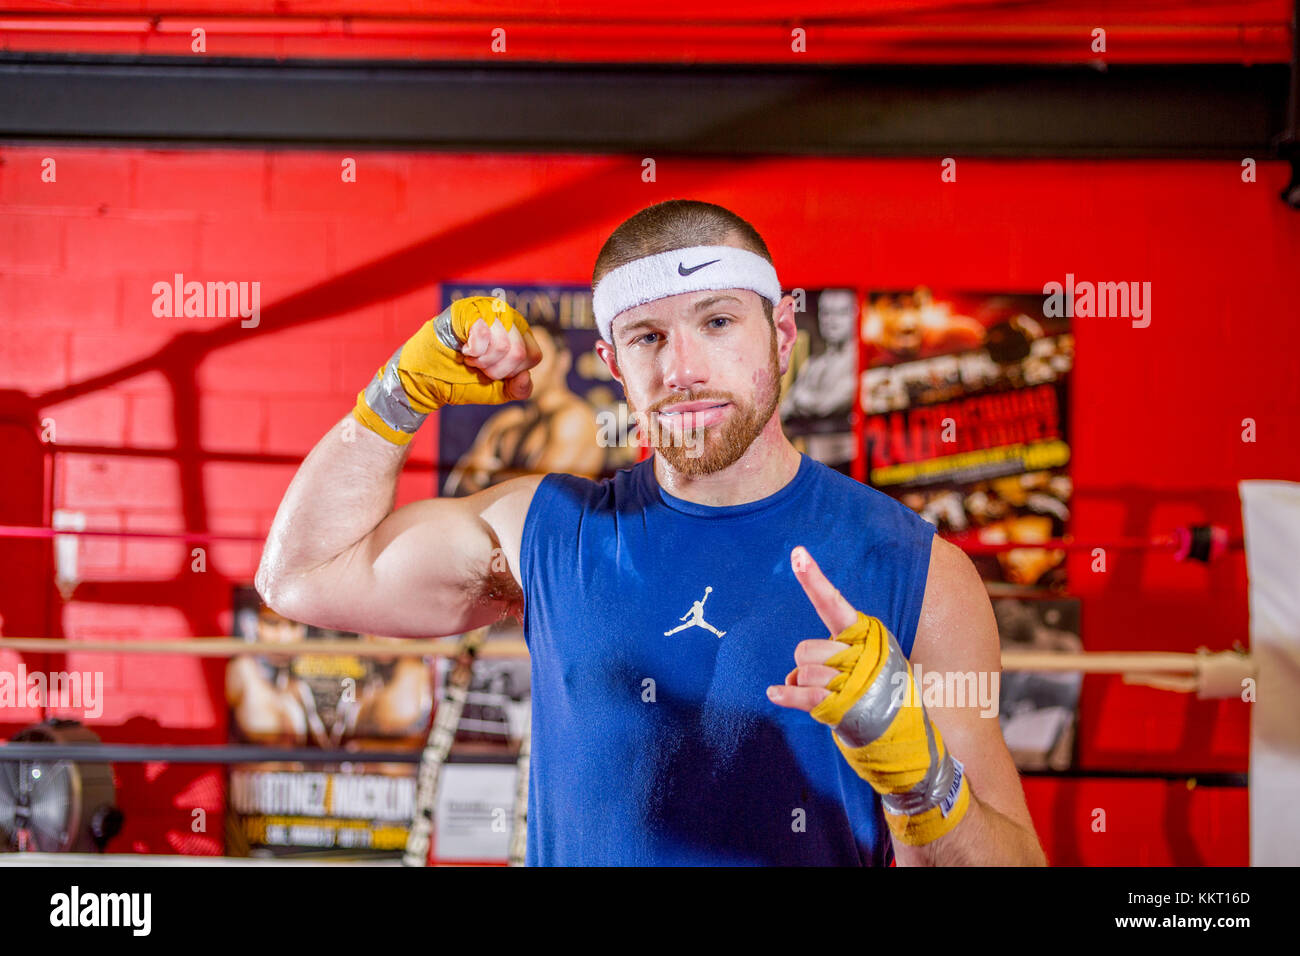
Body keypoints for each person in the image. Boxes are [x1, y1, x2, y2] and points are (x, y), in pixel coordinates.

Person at [256, 199, 1046, 866]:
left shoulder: (920, 571)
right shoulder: (546, 529)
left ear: (782, 332)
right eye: (648, 337)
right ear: (610, 361)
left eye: (717, 321)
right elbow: (301, 574)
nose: (684, 369)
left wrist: (923, 783)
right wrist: (402, 390)